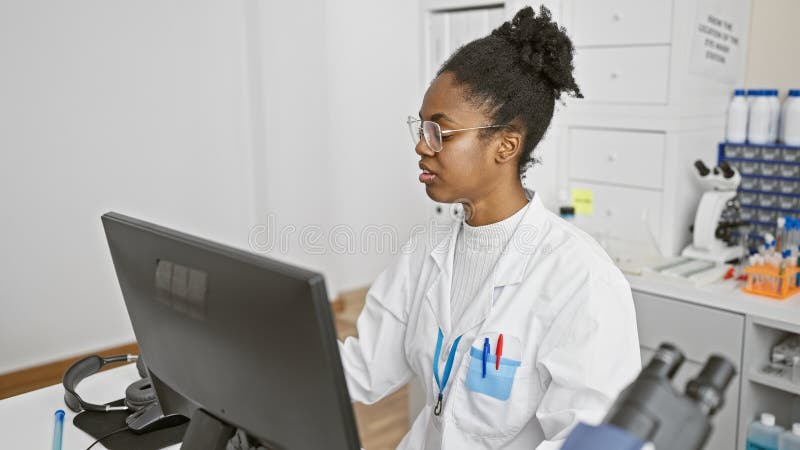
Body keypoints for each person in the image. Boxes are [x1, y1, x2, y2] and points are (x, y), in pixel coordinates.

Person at [338, 6, 640, 449]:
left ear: (505, 145)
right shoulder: (428, 249)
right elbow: (363, 368)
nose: (422, 146)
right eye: (421, 129)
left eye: (440, 132)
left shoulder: (580, 279)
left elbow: (590, 440)